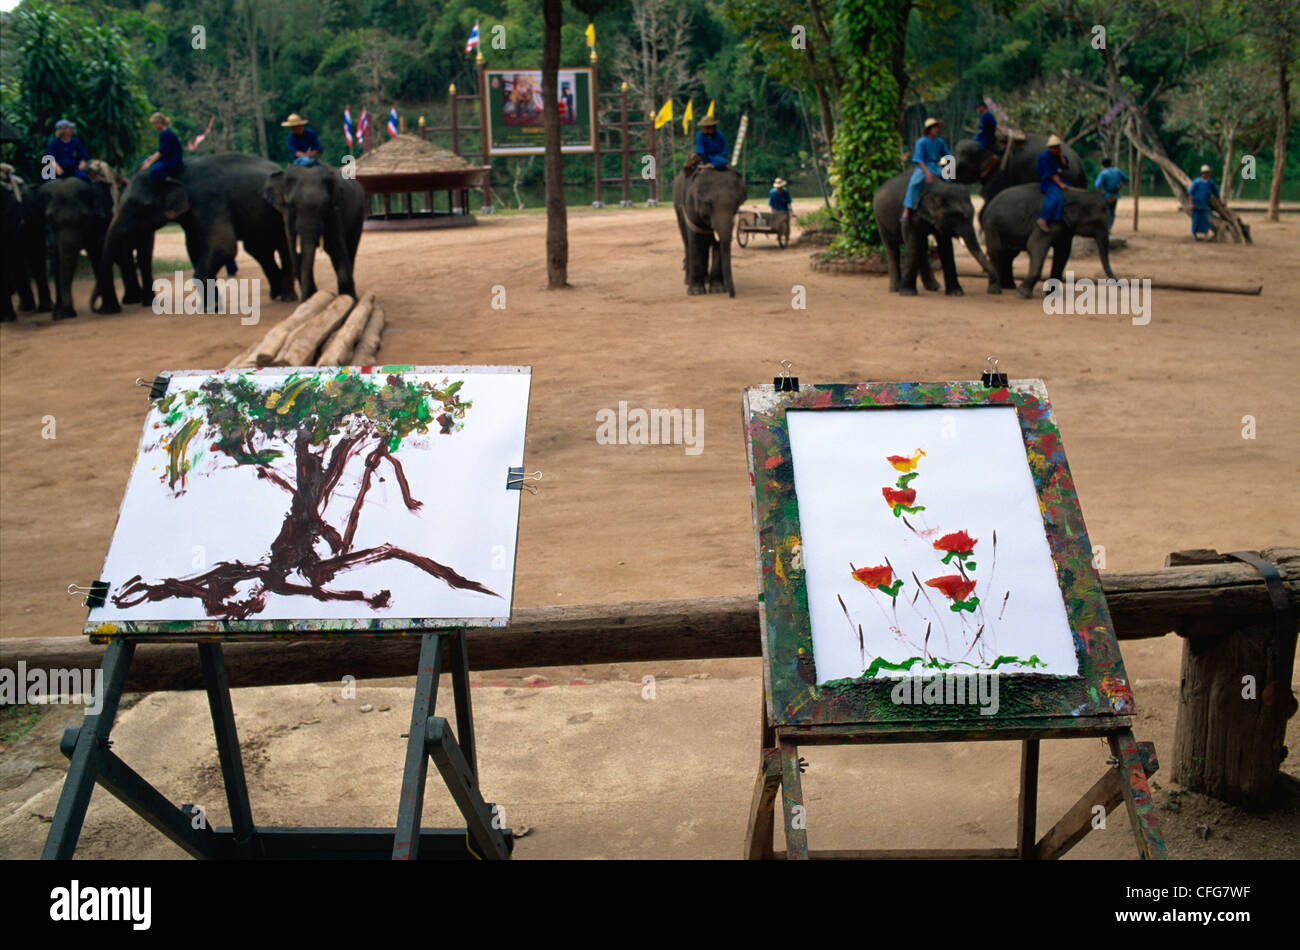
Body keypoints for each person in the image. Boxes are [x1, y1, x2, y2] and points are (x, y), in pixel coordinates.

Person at [902, 117, 949, 223]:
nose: (937, 130)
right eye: (934, 128)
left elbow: (947, 156)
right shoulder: (921, 142)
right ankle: (907, 208)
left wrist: (947, 169)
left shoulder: (940, 142)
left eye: (937, 128)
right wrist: (927, 173)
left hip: (935, 166)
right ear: (929, 130)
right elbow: (919, 159)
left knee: (949, 181)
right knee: (914, 183)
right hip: (923, 167)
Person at [1035, 134, 1071, 233]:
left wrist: (1060, 155)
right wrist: (1060, 185)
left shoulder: (1058, 156)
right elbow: (1051, 174)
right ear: (1051, 148)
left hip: (1060, 178)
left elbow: (1065, 165)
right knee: (1055, 196)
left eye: (1058, 146)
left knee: (1070, 192)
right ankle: (1044, 218)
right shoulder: (1045, 157)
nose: (1057, 148)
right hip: (1048, 181)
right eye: (1055, 147)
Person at [140, 112, 183, 184]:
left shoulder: (166, 134)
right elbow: (159, 151)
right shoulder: (164, 133)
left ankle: (168, 180)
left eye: (154, 124)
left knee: (154, 171)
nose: (154, 126)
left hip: (172, 160)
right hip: (165, 158)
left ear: (159, 122)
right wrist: (149, 159)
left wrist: (149, 164)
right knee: (144, 160)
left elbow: (161, 153)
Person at [1094, 156, 1129, 229]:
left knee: (1105, 211)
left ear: (1102, 165)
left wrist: (1101, 192)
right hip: (1115, 194)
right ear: (1111, 164)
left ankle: (1105, 227)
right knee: (1112, 212)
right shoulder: (1117, 171)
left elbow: (1097, 185)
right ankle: (1109, 227)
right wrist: (1120, 186)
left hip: (1106, 195)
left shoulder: (1103, 173)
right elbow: (1126, 178)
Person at [1188, 164, 1219, 241]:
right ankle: (1194, 235)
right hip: (1196, 204)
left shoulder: (1210, 182)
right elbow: (1190, 193)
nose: (1207, 174)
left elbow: (1216, 193)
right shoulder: (1196, 182)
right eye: (1206, 172)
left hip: (1205, 205)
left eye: (1208, 172)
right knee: (1195, 220)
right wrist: (1191, 204)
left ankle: (1206, 235)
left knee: (1205, 221)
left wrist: (1220, 202)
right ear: (1202, 173)